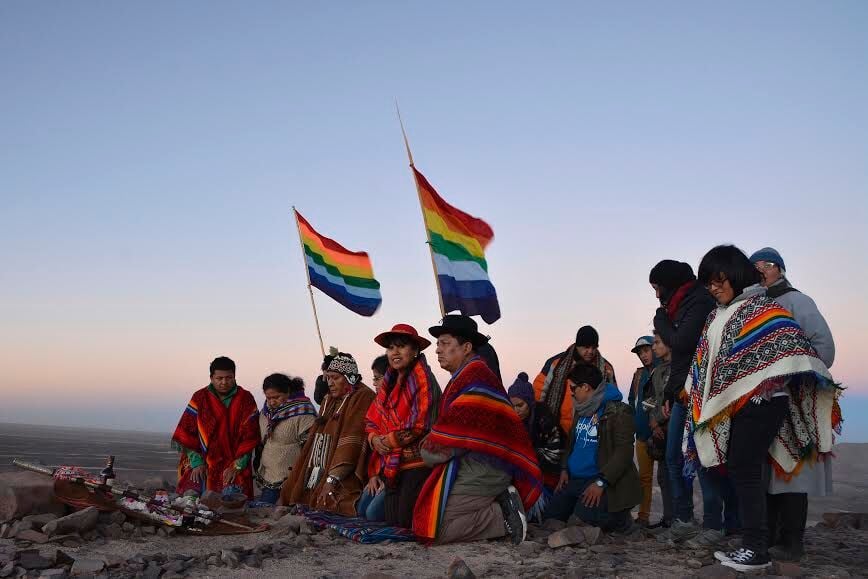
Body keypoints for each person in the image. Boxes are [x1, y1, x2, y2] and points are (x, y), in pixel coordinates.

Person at [684, 245, 839, 572]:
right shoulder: (719, 313)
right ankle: (757, 545)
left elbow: (790, 347)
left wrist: (765, 381)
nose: (713, 287)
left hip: (764, 402)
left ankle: (758, 547)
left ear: (736, 275)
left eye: (718, 279)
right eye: (708, 282)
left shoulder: (762, 309)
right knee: (748, 471)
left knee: (746, 468)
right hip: (734, 405)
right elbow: (708, 361)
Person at [413, 315, 542, 545]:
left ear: (466, 347)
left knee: (436, 528)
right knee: (424, 511)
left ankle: (504, 516)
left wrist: (427, 449)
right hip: (474, 462)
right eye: (437, 344)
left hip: (487, 466)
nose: (437, 350)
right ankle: (499, 501)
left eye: (444, 343)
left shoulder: (476, 379)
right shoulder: (465, 377)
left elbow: (450, 442)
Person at [750, 247, 837, 561]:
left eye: (767, 265)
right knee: (766, 470)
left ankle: (792, 542)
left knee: (792, 470)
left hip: (795, 399)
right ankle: (768, 538)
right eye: (755, 267)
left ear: (780, 270)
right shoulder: (754, 306)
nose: (761, 270)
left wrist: (793, 372)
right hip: (761, 400)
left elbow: (824, 348)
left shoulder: (797, 301)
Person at [649, 259, 715, 543]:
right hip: (680, 392)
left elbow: (681, 343)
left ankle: (714, 525)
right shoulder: (679, 304)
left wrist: (660, 321)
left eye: (657, 287)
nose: (656, 295)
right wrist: (668, 392)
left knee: (703, 459)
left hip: (700, 391)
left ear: (669, 283)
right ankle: (683, 520)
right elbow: (679, 359)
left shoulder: (699, 301)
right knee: (673, 456)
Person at [543, 364, 641, 531]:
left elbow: (624, 453)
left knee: (579, 523)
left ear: (586, 387)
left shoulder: (618, 412)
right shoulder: (582, 409)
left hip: (601, 482)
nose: (571, 392)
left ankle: (620, 520)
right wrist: (565, 468)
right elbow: (572, 444)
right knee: (551, 517)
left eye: (573, 388)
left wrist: (601, 482)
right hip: (575, 480)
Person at [364, 324, 441, 528]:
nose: (395, 352)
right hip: (391, 461)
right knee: (391, 521)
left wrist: (386, 441)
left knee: (405, 522)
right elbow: (372, 418)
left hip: (417, 462)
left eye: (401, 346)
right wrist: (373, 438)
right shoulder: (389, 380)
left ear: (415, 351)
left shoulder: (423, 380)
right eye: (390, 348)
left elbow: (419, 425)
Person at [282, 353, 376, 515]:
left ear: (350, 378)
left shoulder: (363, 396)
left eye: (335, 378)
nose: (330, 383)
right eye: (328, 378)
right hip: (320, 465)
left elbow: (352, 441)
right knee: (294, 493)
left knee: (337, 502)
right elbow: (314, 439)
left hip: (344, 472)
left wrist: (332, 479)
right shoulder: (329, 399)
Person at [172, 356, 260, 499]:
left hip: (233, 459)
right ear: (211, 378)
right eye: (219, 378)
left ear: (234, 377)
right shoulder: (200, 397)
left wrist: (237, 466)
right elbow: (187, 433)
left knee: (232, 496)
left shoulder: (246, 398)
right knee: (190, 494)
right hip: (202, 458)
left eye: (228, 378)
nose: (224, 382)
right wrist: (197, 463)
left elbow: (250, 437)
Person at [534, 325, 617, 434]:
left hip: (590, 431)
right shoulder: (556, 363)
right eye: (586, 347)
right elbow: (539, 391)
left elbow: (612, 398)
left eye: (594, 347)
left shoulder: (606, 368)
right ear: (578, 345)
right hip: (557, 429)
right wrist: (544, 418)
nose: (590, 351)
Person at [255, 374, 316, 505]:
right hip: (269, 474)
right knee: (264, 512)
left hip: (292, 478)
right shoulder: (266, 412)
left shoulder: (304, 412)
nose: (272, 402)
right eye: (268, 398)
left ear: (288, 392)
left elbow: (310, 448)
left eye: (276, 397)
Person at [507, 372, 566, 493]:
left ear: (530, 403)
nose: (516, 410)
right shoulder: (511, 421)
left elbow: (555, 454)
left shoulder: (545, 421)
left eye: (520, 405)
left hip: (549, 473)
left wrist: (527, 459)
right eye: (512, 406)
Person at [628, 336, 657, 527]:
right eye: (640, 353)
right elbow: (632, 400)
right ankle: (644, 516)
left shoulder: (663, 369)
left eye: (646, 351)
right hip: (641, 435)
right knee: (644, 477)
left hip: (661, 433)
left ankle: (674, 517)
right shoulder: (638, 375)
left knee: (669, 475)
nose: (643, 355)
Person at [357, 355, 390, 521]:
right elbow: (370, 428)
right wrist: (373, 474)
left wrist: (387, 478)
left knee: (372, 514)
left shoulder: (400, 403)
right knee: (362, 510)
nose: (374, 384)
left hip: (397, 470)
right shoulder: (377, 404)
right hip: (380, 468)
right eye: (374, 379)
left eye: (378, 379)